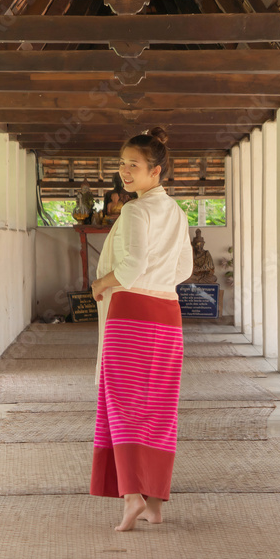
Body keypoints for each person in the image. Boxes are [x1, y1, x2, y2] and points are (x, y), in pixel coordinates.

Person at [90, 127, 193, 532]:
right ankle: (154, 501)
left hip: (132, 314)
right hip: (167, 316)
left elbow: (129, 269)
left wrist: (100, 284)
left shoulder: (136, 211)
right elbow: (183, 270)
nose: (125, 172)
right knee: (158, 408)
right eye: (122, 163)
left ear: (156, 171)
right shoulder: (177, 212)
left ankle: (132, 494)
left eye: (134, 165)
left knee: (123, 405)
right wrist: (159, 278)